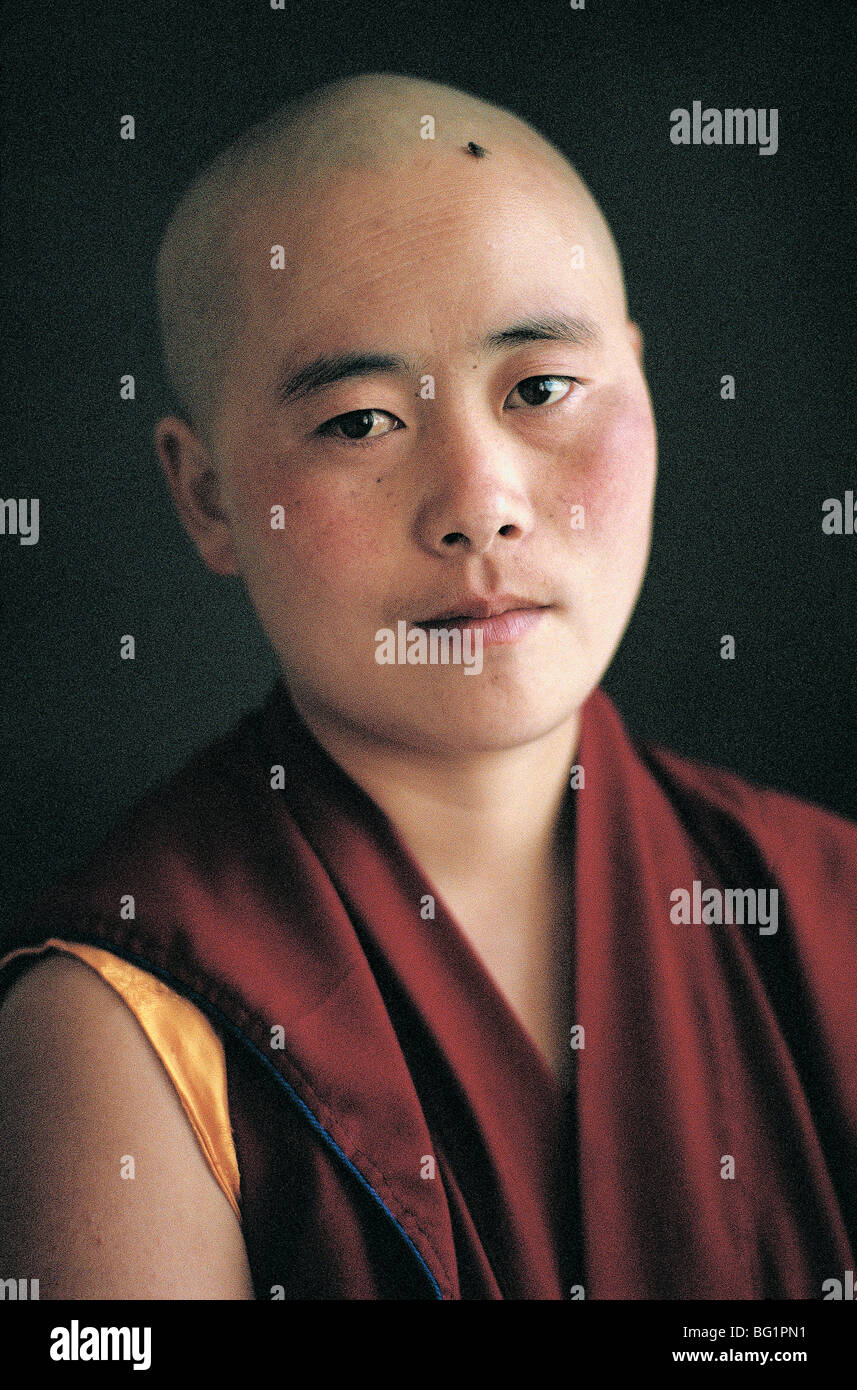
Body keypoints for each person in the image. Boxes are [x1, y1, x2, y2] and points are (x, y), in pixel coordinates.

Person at [1, 71, 855, 1301]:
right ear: (205, 495)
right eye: (356, 422)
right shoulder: (118, 1026)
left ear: (642, 385)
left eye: (540, 389)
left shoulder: (822, 913)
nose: (478, 505)